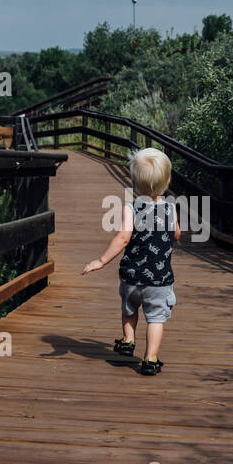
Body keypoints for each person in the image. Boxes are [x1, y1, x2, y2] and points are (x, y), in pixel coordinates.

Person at [80, 148, 180, 375]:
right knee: (156, 319)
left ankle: (128, 340)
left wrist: (101, 260)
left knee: (129, 308)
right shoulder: (170, 208)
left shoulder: (131, 208)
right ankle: (150, 359)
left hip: (132, 277)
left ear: (133, 182)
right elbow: (176, 234)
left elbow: (123, 238)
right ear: (168, 180)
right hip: (159, 279)